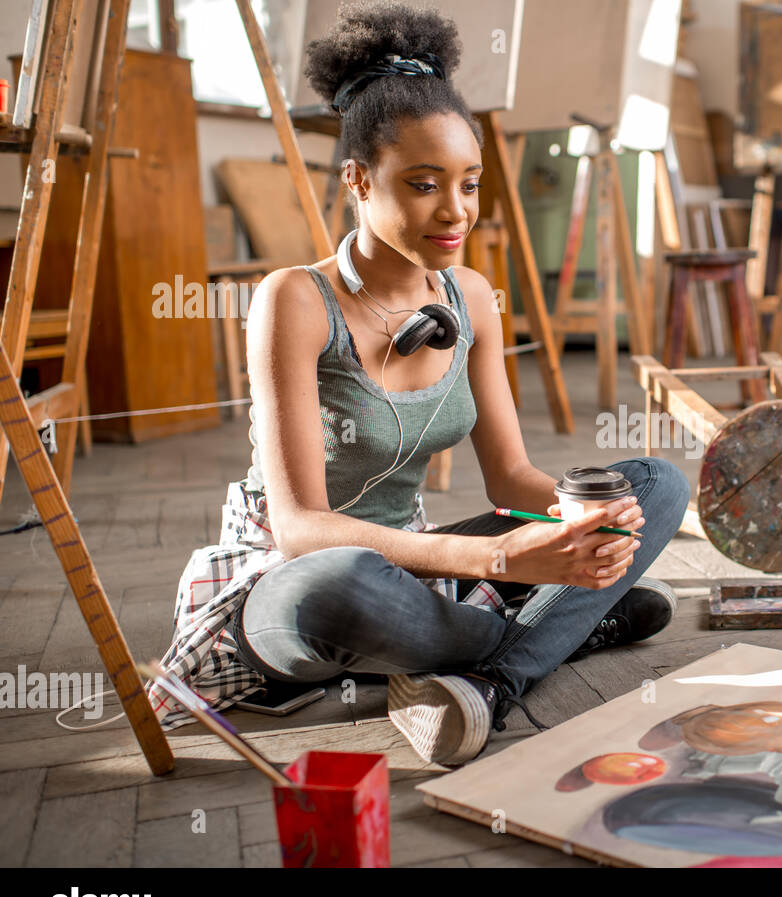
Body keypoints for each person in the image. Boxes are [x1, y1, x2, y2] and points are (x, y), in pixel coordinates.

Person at [145, 1, 690, 766]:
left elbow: (510, 479)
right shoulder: (294, 301)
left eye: (469, 183)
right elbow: (301, 529)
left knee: (656, 484)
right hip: (297, 583)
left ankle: (494, 677)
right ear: (359, 180)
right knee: (334, 585)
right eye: (426, 183)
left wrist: (575, 516)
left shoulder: (468, 296)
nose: (456, 210)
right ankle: (559, 629)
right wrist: (504, 562)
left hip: (421, 563)